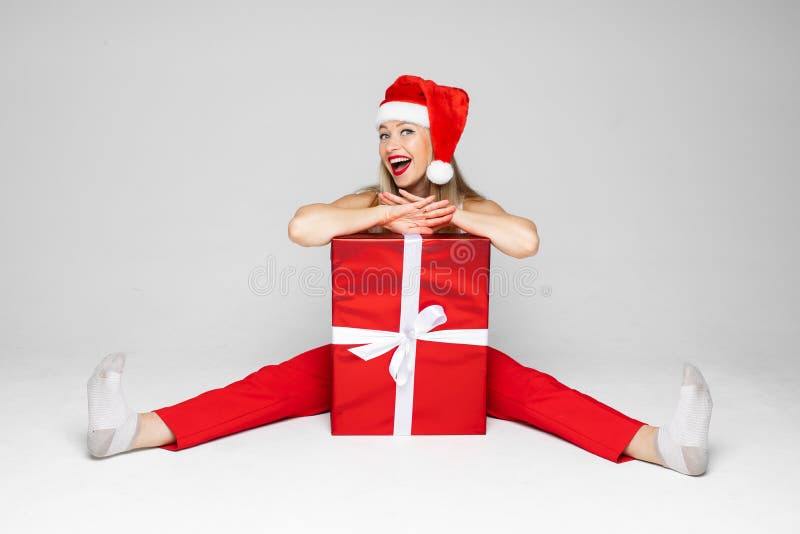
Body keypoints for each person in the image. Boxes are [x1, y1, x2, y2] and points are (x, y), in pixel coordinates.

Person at [86, 75, 713, 476]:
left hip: (453, 362)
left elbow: (524, 240)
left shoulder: (469, 207)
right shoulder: (368, 201)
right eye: (384, 131)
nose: (391, 140)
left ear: (436, 147)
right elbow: (303, 228)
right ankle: (130, 432)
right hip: (363, 357)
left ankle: (664, 446)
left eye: (405, 129)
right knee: (270, 386)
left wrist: (454, 216)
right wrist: (382, 217)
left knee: (535, 392)